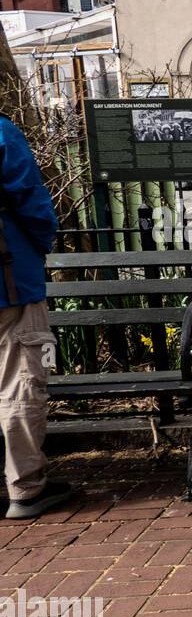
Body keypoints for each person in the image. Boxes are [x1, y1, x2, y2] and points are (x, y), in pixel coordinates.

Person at [0, 112, 67, 520]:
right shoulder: (2, 132)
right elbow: (31, 199)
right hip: (9, 281)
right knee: (20, 380)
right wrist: (41, 242)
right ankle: (25, 487)